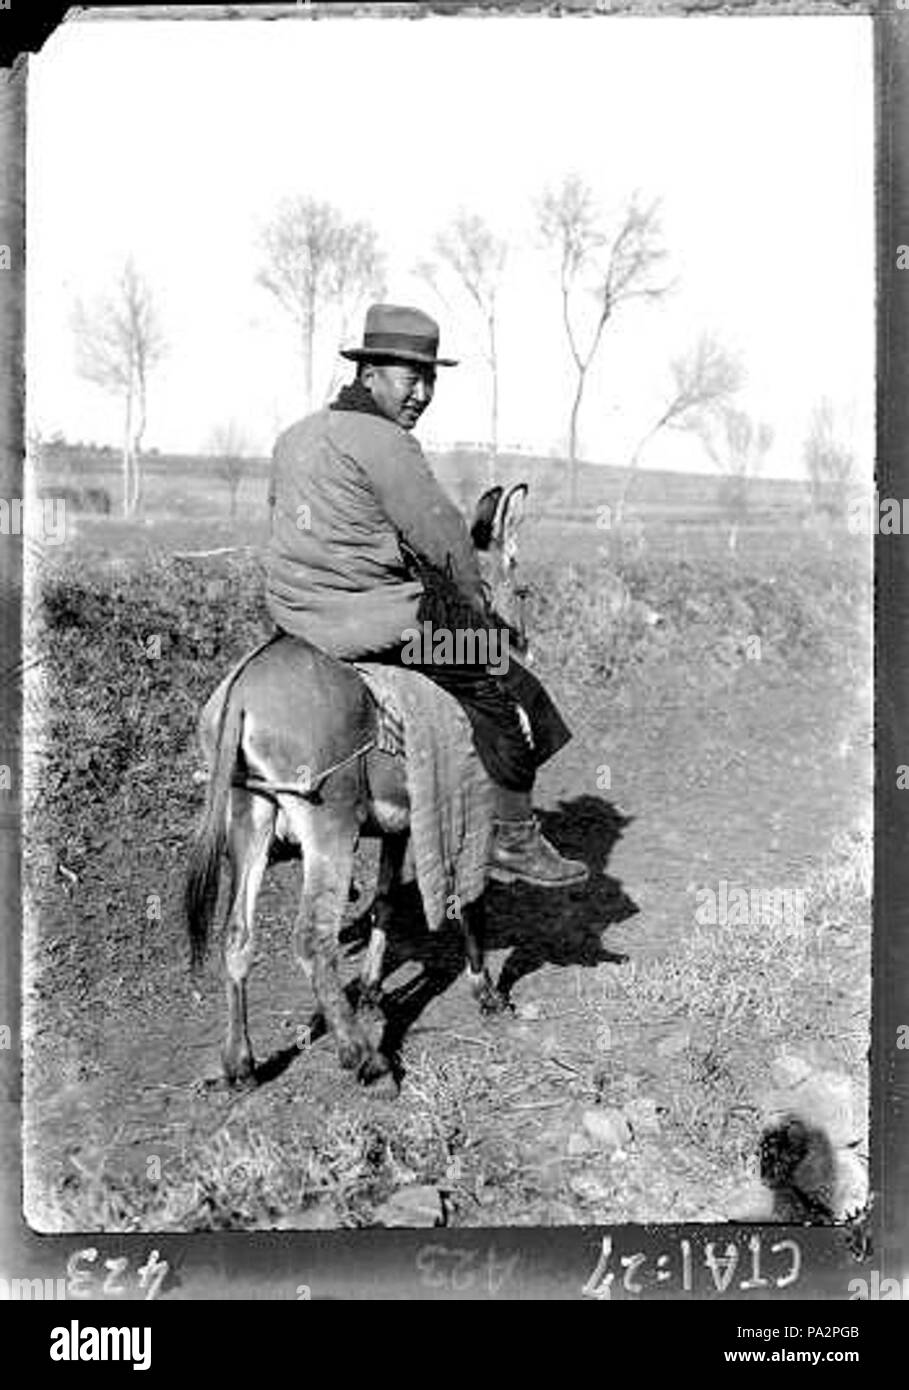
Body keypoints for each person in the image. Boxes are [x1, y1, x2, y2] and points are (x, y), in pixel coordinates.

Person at [265, 303, 589, 888]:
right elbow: (444, 542)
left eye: (431, 379)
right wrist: (475, 614)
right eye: (411, 378)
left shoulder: (295, 437)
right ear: (370, 377)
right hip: (373, 622)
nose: (422, 393)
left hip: (295, 617)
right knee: (505, 689)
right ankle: (512, 836)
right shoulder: (388, 443)